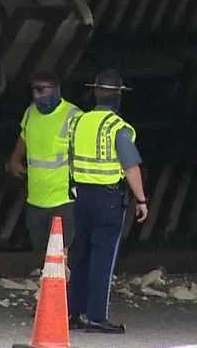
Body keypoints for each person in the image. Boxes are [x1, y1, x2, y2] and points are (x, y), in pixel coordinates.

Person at [66, 69, 148, 335]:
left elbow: (70, 158)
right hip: (108, 199)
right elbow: (130, 166)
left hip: (82, 197)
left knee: (81, 255)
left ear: (95, 92)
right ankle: (96, 316)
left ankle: (73, 313)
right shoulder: (118, 128)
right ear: (118, 96)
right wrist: (141, 199)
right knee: (103, 257)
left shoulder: (77, 123)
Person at [7, 73, 79, 257]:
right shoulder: (31, 112)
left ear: (56, 90)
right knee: (41, 251)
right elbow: (24, 136)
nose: (36, 96)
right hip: (36, 198)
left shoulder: (73, 116)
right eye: (33, 90)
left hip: (63, 199)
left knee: (61, 252)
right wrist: (15, 160)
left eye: (41, 90)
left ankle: (64, 284)